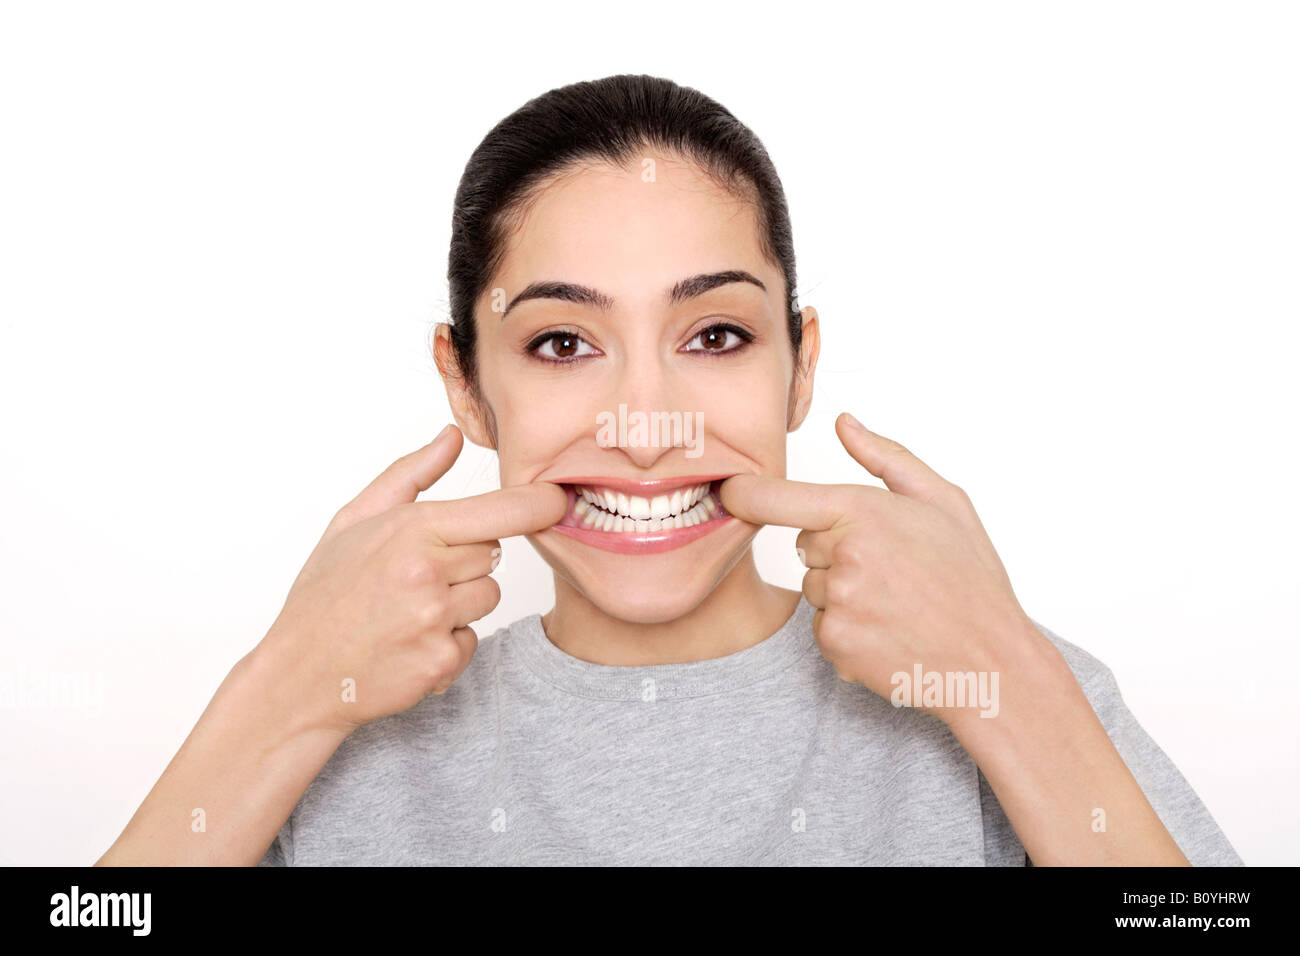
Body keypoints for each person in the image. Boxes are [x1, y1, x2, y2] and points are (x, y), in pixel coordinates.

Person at [96, 74, 1242, 866]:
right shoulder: (330, 729)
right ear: (464, 383)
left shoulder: (1006, 683)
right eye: (560, 344)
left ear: (800, 368)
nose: (647, 428)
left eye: (715, 336)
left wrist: (1007, 673)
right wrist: (279, 695)